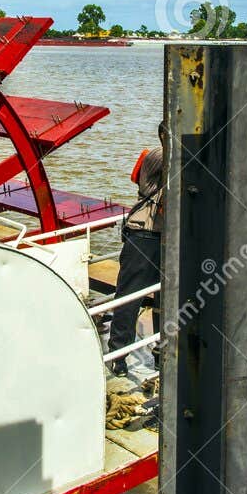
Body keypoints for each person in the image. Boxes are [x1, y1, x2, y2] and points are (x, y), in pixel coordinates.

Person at [107, 121, 166, 378]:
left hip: (168, 237)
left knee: (166, 300)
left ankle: (162, 354)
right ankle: (117, 355)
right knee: (129, 296)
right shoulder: (158, 156)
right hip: (144, 235)